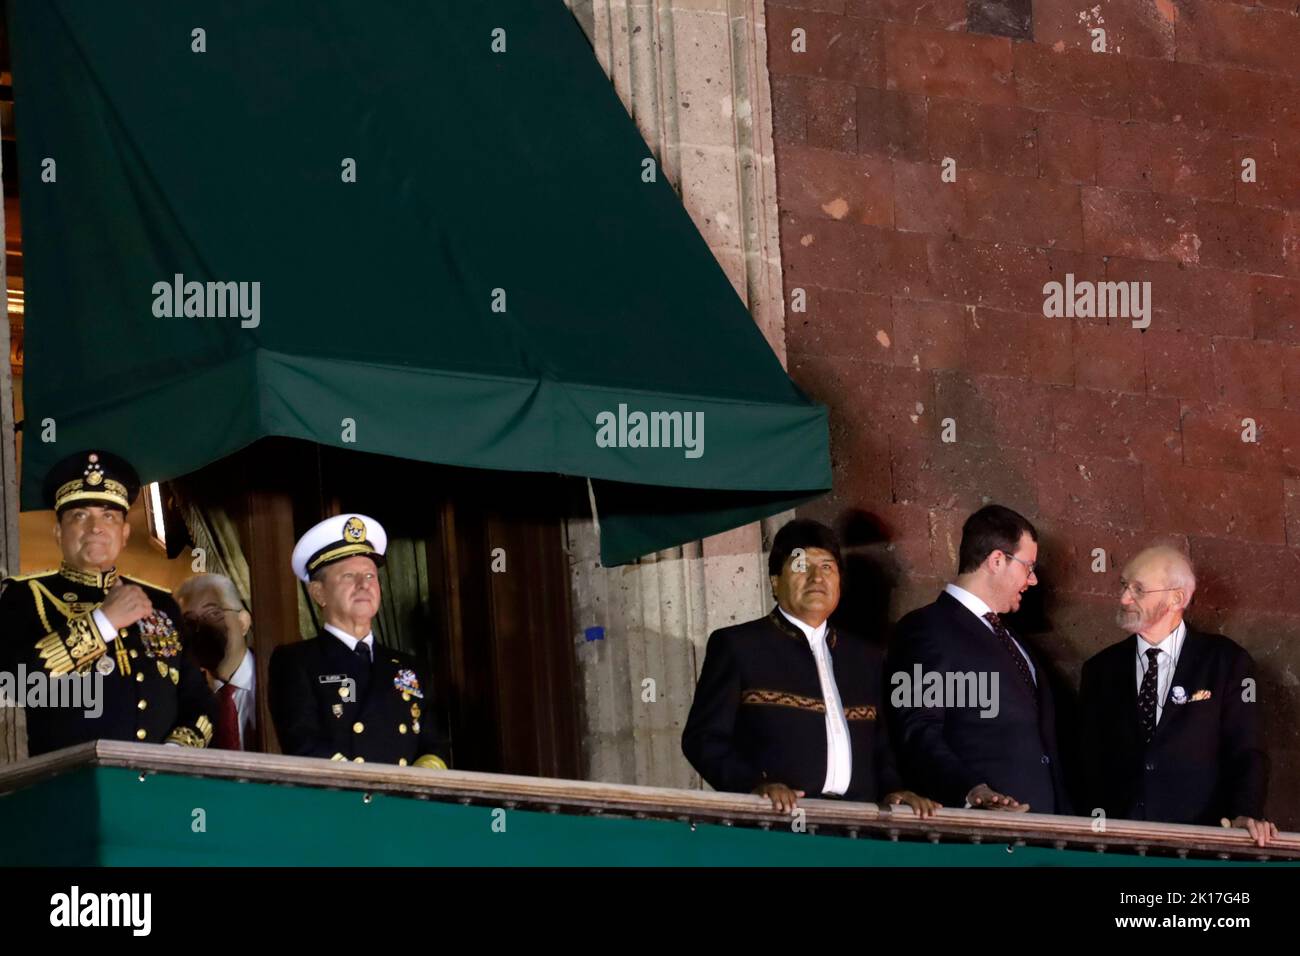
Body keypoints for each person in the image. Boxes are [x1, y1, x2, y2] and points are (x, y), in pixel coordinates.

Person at [682, 518, 937, 816]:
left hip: (859, 827)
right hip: (777, 826)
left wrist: (895, 790)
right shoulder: (738, 646)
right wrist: (753, 786)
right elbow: (703, 739)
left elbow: (880, 749)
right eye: (801, 565)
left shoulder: (865, 658)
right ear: (775, 582)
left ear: (840, 582)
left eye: (827, 567)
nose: (817, 577)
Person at [0, 450, 215, 754]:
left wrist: (175, 753)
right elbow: (12, 685)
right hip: (73, 786)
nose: (95, 527)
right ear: (59, 532)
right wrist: (102, 624)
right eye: (80, 516)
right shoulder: (26, 595)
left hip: (159, 783)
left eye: (109, 516)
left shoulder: (161, 602)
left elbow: (198, 699)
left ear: (124, 533)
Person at [1079, 545, 1274, 846]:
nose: (1124, 598)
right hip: (1118, 847)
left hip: (1201, 844)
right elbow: (1088, 761)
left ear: (1177, 598)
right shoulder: (1100, 670)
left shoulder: (1226, 662)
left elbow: (1247, 751)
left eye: (1139, 589)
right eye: (1124, 585)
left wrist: (1244, 813)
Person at [887, 504, 1068, 814]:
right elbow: (917, 728)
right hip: (981, 836)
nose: (1033, 580)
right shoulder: (927, 630)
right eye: (1028, 566)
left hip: (1042, 834)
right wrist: (970, 790)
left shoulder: (1014, 640)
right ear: (997, 560)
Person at [268, 514, 449, 767]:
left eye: (369, 576)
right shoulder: (297, 662)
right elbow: (304, 744)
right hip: (340, 801)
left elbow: (434, 745)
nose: (363, 585)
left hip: (403, 803)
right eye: (348, 576)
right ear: (319, 593)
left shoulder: (410, 667)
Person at [176, 573, 256, 750]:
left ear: (243, 622)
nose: (202, 627)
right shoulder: (180, 697)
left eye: (213, 613)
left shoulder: (280, 678)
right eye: (189, 621)